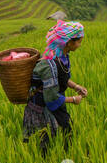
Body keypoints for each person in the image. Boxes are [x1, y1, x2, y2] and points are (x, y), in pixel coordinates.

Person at [23, 20, 88, 153]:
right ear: (69, 42)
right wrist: (74, 99)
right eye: (79, 41)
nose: (80, 45)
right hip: (43, 108)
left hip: (56, 100)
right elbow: (51, 100)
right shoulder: (49, 64)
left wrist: (76, 86)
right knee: (45, 145)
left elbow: (62, 78)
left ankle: (67, 156)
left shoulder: (63, 56)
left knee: (68, 133)